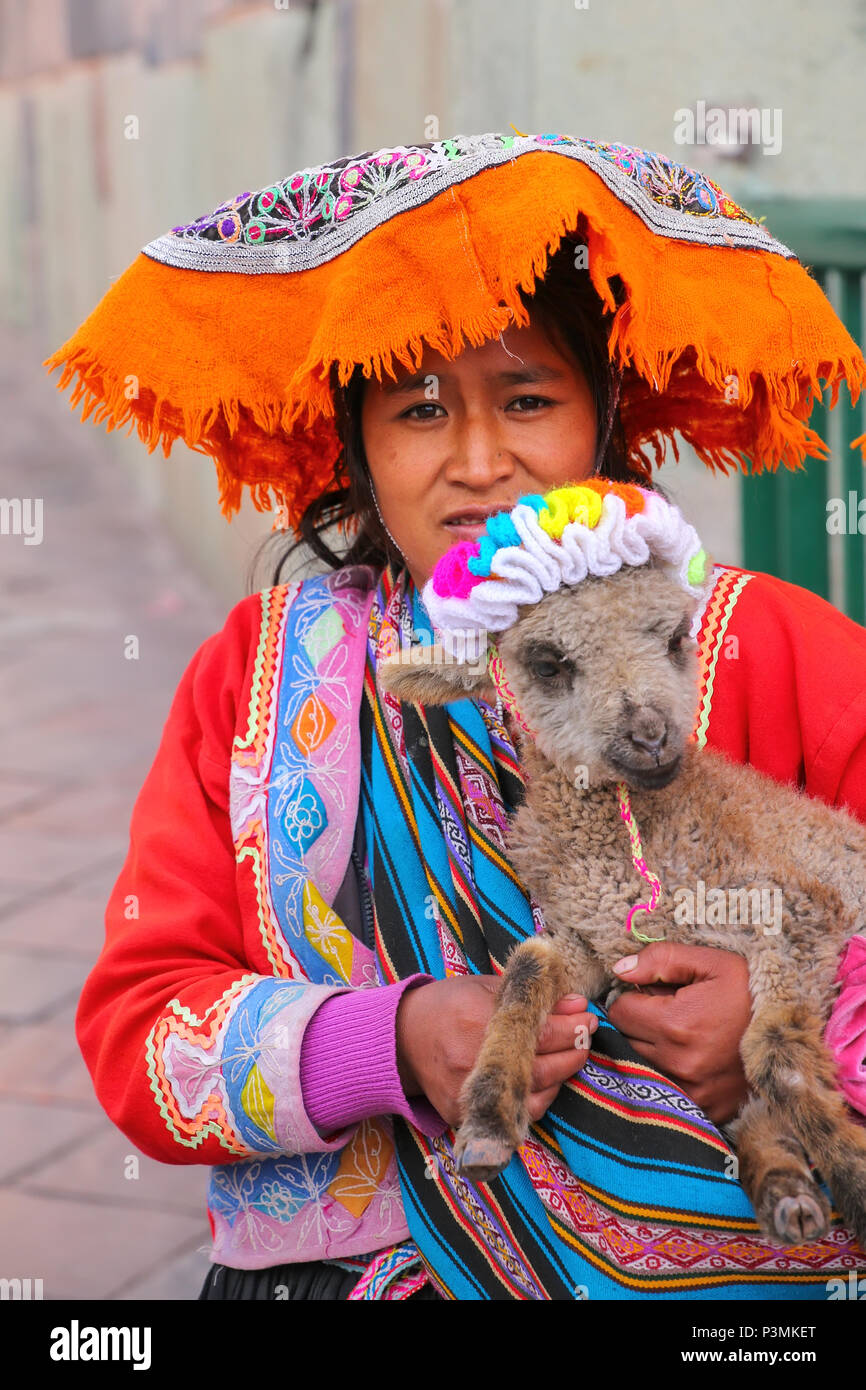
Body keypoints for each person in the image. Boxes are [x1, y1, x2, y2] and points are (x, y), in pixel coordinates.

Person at [49, 132, 866, 1299]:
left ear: (602, 412)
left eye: (526, 396)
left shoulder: (771, 650)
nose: (479, 460)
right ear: (355, 447)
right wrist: (381, 1041)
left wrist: (789, 1023)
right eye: (419, 411)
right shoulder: (259, 675)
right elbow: (142, 1030)